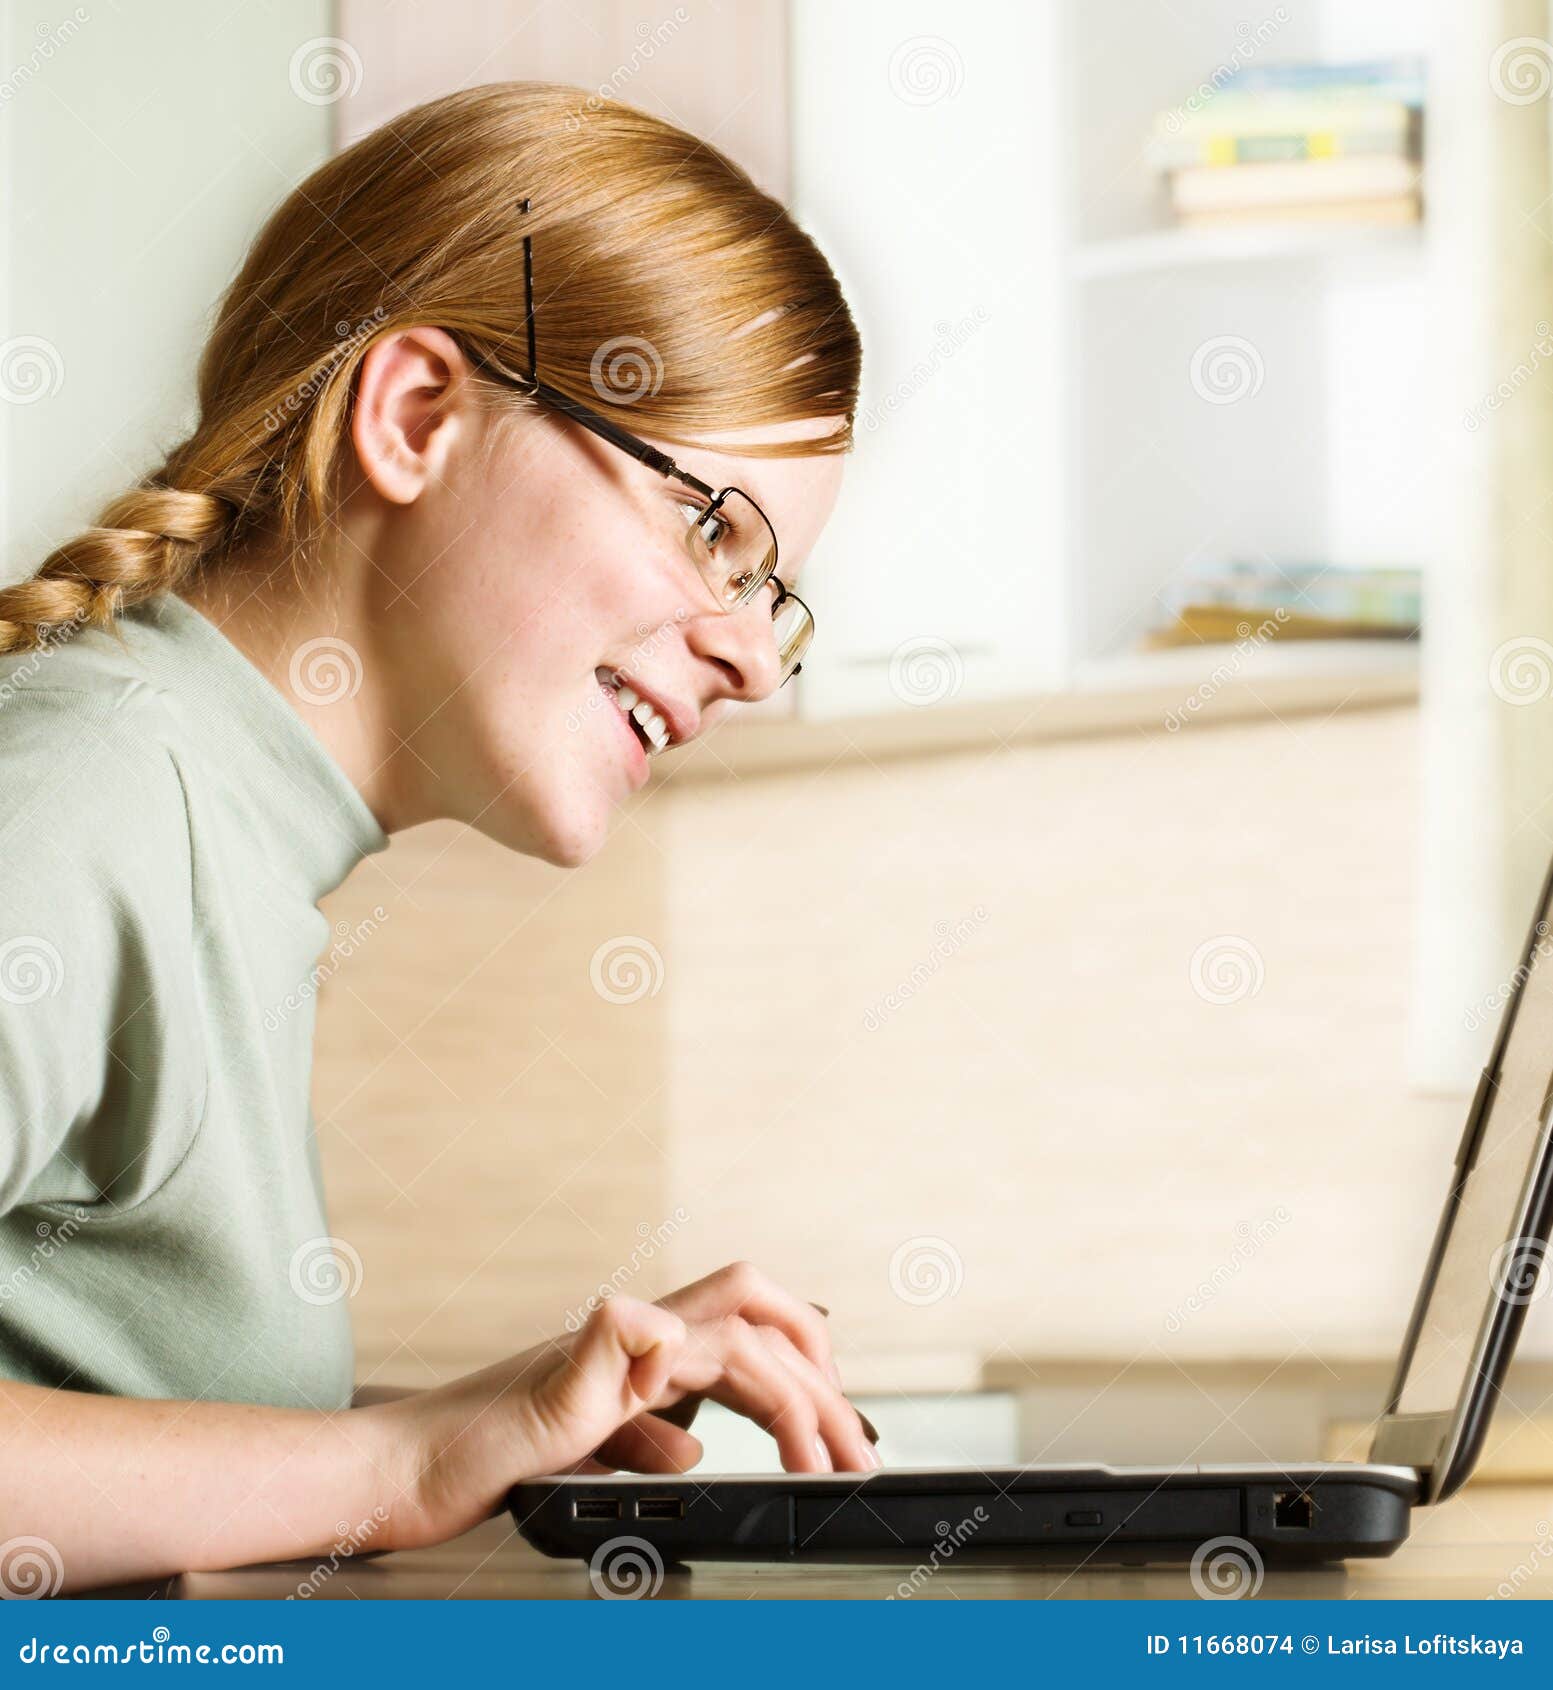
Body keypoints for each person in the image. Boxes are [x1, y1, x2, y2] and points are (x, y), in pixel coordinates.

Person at [0, 82, 871, 1593]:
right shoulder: (94, 790)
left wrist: (490, 1428)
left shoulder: (219, 817)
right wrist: (396, 1467)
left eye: (774, 593)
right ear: (414, 417)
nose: (752, 659)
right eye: (712, 532)